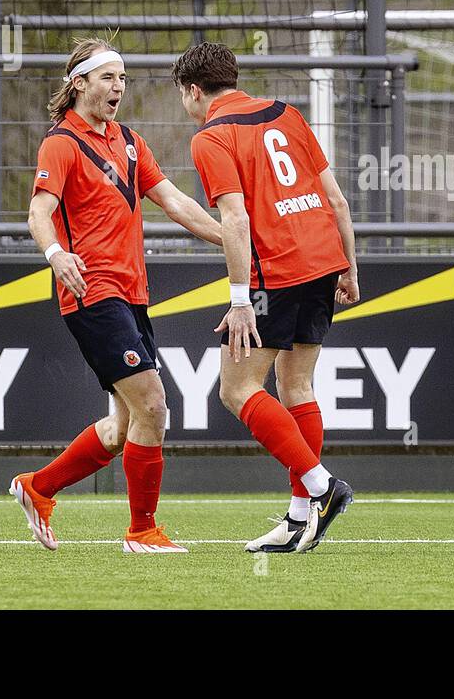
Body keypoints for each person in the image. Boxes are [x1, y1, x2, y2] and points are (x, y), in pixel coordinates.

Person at [11, 38, 223, 554]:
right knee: (153, 404)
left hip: (132, 294)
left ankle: (38, 488)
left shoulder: (129, 142)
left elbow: (173, 201)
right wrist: (56, 255)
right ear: (79, 82)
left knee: (123, 423)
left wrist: (231, 237)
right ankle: (142, 532)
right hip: (92, 291)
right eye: (108, 77)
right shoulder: (60, 144)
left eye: (123, 78)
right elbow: (39, 212)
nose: (119, 87)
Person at [175, 42, 357, 553]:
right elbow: (336, 198)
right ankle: (301, 515)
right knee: (296, 387)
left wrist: (238, 299)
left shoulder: (212, 136)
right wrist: (350, 268)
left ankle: (322, 488)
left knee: (236, 389)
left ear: (193, 90)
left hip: (275, 272)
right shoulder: (288, 114)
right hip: (322, 261)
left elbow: (235, 219)